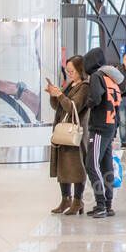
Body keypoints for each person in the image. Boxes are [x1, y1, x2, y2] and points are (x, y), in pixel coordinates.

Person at [83, 48, 124, 218]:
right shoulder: (110, 77)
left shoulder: (96, 76)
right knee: (106, 165)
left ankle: (100, 205)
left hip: (99, 126)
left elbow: (96, 98)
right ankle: (108, 204)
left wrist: (88, 103)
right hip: (110, 125)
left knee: (92, 165)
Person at [46, 55, 90, 216]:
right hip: (63, 129)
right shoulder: (71, 84)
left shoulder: (85, 87)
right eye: (67, 70)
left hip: (75, 132)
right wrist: (54, 94)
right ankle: (66, 199)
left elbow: (73, 108)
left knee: (77, 165)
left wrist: (60, 95)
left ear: (80, 70)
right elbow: (58, 106)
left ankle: (78, 200)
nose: (69, 72)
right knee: (63, 164)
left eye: (71, 70)